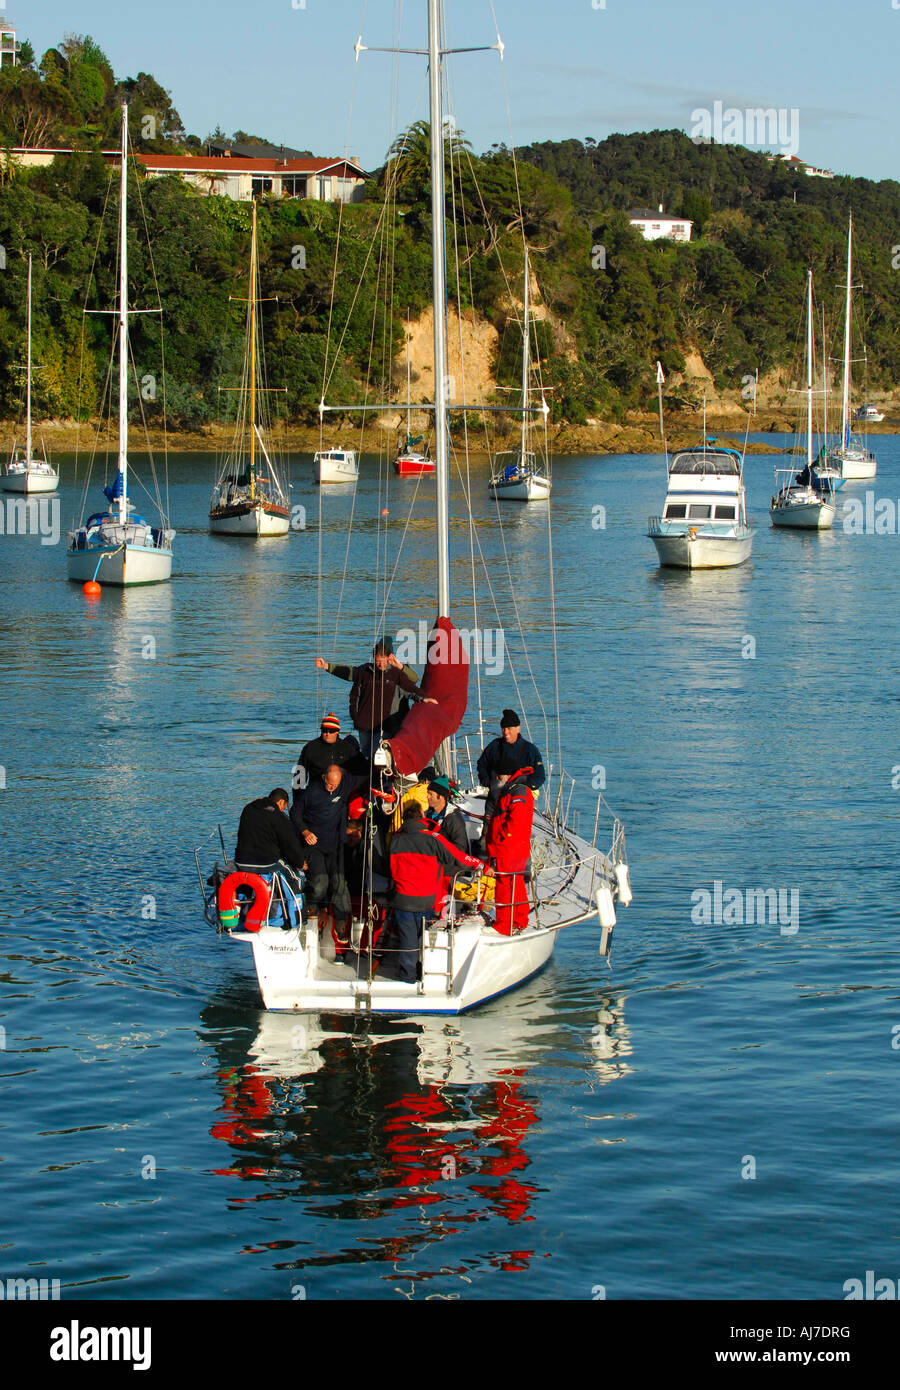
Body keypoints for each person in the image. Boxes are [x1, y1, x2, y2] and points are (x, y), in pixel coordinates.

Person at [384, 804, 482, 982]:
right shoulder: (432, 838)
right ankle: (425, 973)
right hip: (426, 899)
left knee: (408, 940)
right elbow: (457, 856)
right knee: (424, 938)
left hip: (402, 899)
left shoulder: (395, 841)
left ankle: (407, 975)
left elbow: (389, 868)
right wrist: (480, 865)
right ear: (422, 818)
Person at [314, 636, 437, 759]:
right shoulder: (366, 671)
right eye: (377, 660)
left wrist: (423, 698)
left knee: (377, 755)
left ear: (390, 657)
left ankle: (381, 774)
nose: (380, 664)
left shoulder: (397, 672)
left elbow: (412, 682)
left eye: (383, 659)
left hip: (389, 724)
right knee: (366, 753)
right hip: (365, 723)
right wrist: (327, 666)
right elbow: (349, 672)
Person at [290, 764, 361, 940]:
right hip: (314, 846)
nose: (332, 788)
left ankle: (340, 923)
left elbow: (365, 775)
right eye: (329, 784)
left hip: (336, 846)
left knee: (339, 883)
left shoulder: (344, 785)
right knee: (320, 881)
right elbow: (294, 813)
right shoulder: (310, 793)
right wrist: (305, 831)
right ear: (323, 778)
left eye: (335, 785)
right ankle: (312, 906)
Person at [486, 766, 534, 935]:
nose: (498, 777)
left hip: (509, 848)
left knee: (505, 885)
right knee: (516, 883)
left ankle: (504, 924)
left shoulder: (517, 792)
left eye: (500, 773)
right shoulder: (515, 789)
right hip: (514, 847)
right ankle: (520, 920)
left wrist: (501, 838)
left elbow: (516, 819)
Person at [235, 788, 305, 895]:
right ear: (281, 802)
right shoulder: (277, 815)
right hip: (265, 863)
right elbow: (289, 844)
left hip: (241, 861)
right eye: (284, 807)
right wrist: (299, 862)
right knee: (297, 878)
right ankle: (297, 909)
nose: (282, 810)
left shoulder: (248, 808)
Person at [293, 712, 362, 791]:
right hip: (316, 790)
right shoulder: (310, 747)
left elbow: (360, 770)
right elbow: (300, 773)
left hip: (341, 792)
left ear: (337, 732)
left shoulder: (347, 748)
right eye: (324, 731)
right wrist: (298, 797)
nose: (327, 734)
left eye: (331, 731)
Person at [424, 773, 470, 855]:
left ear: (441, 797)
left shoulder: (453, 819)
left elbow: (461, 848)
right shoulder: (427, 814)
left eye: (431, 794)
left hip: (446, 863)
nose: (427, 797)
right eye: (428, 793)